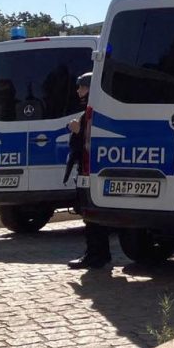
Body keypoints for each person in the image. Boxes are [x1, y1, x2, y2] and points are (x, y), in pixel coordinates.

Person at [67, 73, 112, 269]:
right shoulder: (87, 111)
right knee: (89, 215)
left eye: (83, 87)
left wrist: (78, 130)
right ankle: (95, 253)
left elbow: (89, 141)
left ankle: (96, 255)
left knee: (92, 216)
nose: (79, 91)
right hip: (87, 169)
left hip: (92, 170)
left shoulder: (95, 111)